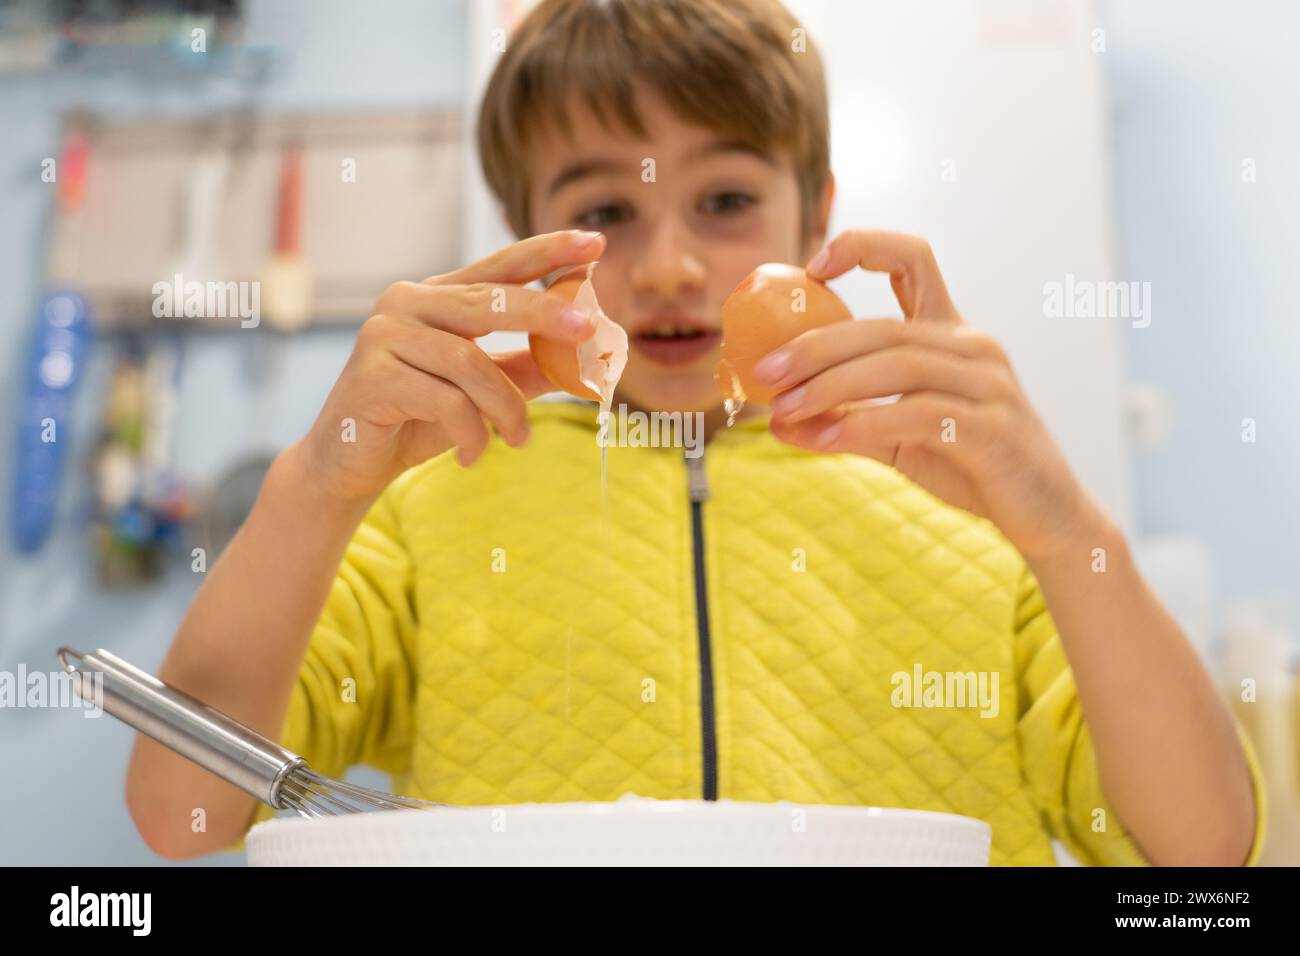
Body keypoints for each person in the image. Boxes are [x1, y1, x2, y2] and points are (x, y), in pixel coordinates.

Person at [127, 0, 1262, 865]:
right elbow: (182, 809)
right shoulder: (431, 509)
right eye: (603, 212)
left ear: (815, 215)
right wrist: (317, 482)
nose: (667, 265)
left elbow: (1202, 849)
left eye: (723, 201)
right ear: (528, 235)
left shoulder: (958, 506)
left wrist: (1064, 530)